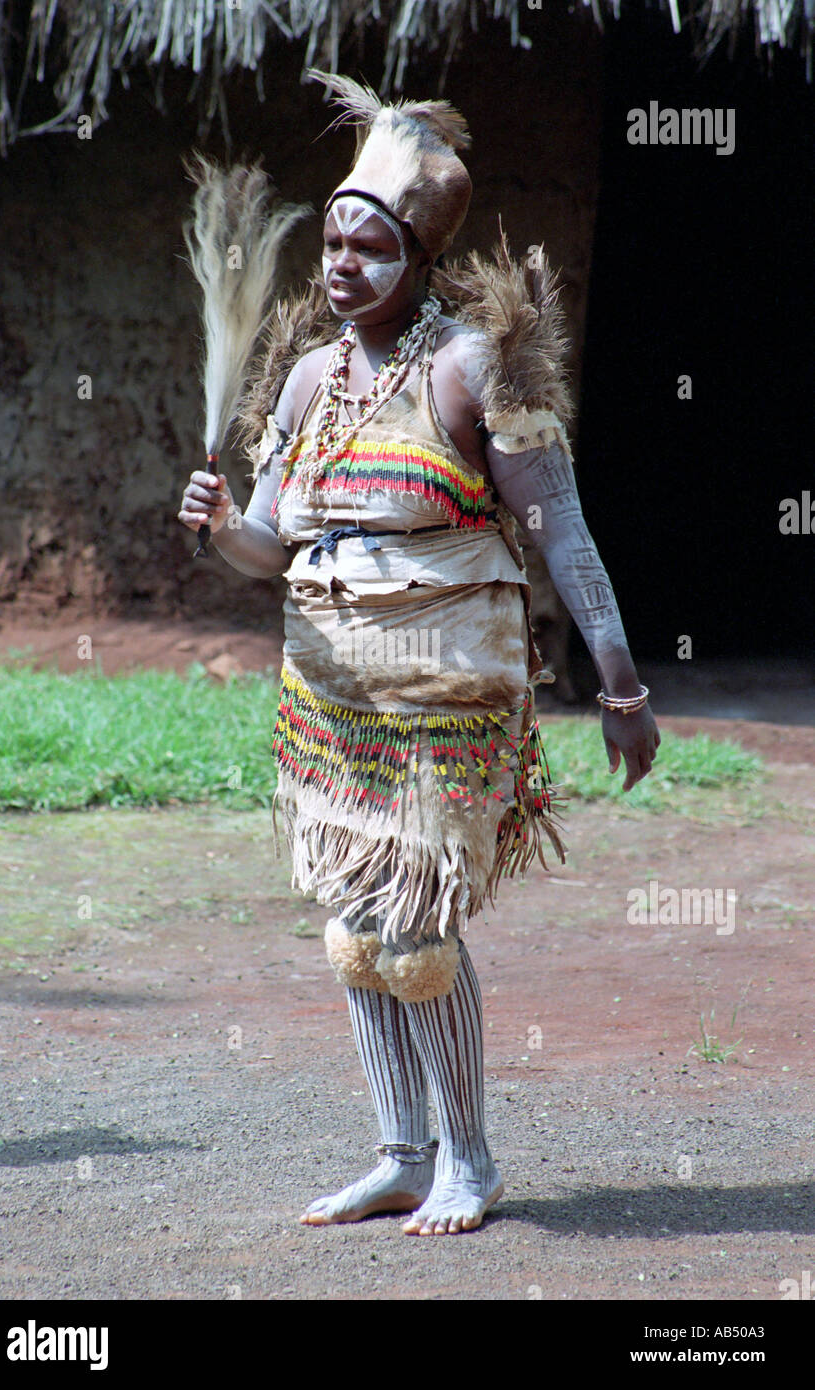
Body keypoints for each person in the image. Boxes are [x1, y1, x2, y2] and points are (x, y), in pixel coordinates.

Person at [178, 74, 660, 1236]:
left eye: (369, 244)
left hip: (452, 684)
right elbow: (270, 547)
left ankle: (473, 1159)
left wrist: (621, 678)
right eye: (333, 240)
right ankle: (401, 1151)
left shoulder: (470, 368)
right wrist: (216, 529)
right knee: (353, 933)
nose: (342, 263)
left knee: (419, 938)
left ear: (419, 256)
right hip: (328, 691)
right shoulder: (308, 380)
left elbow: (562, 530)